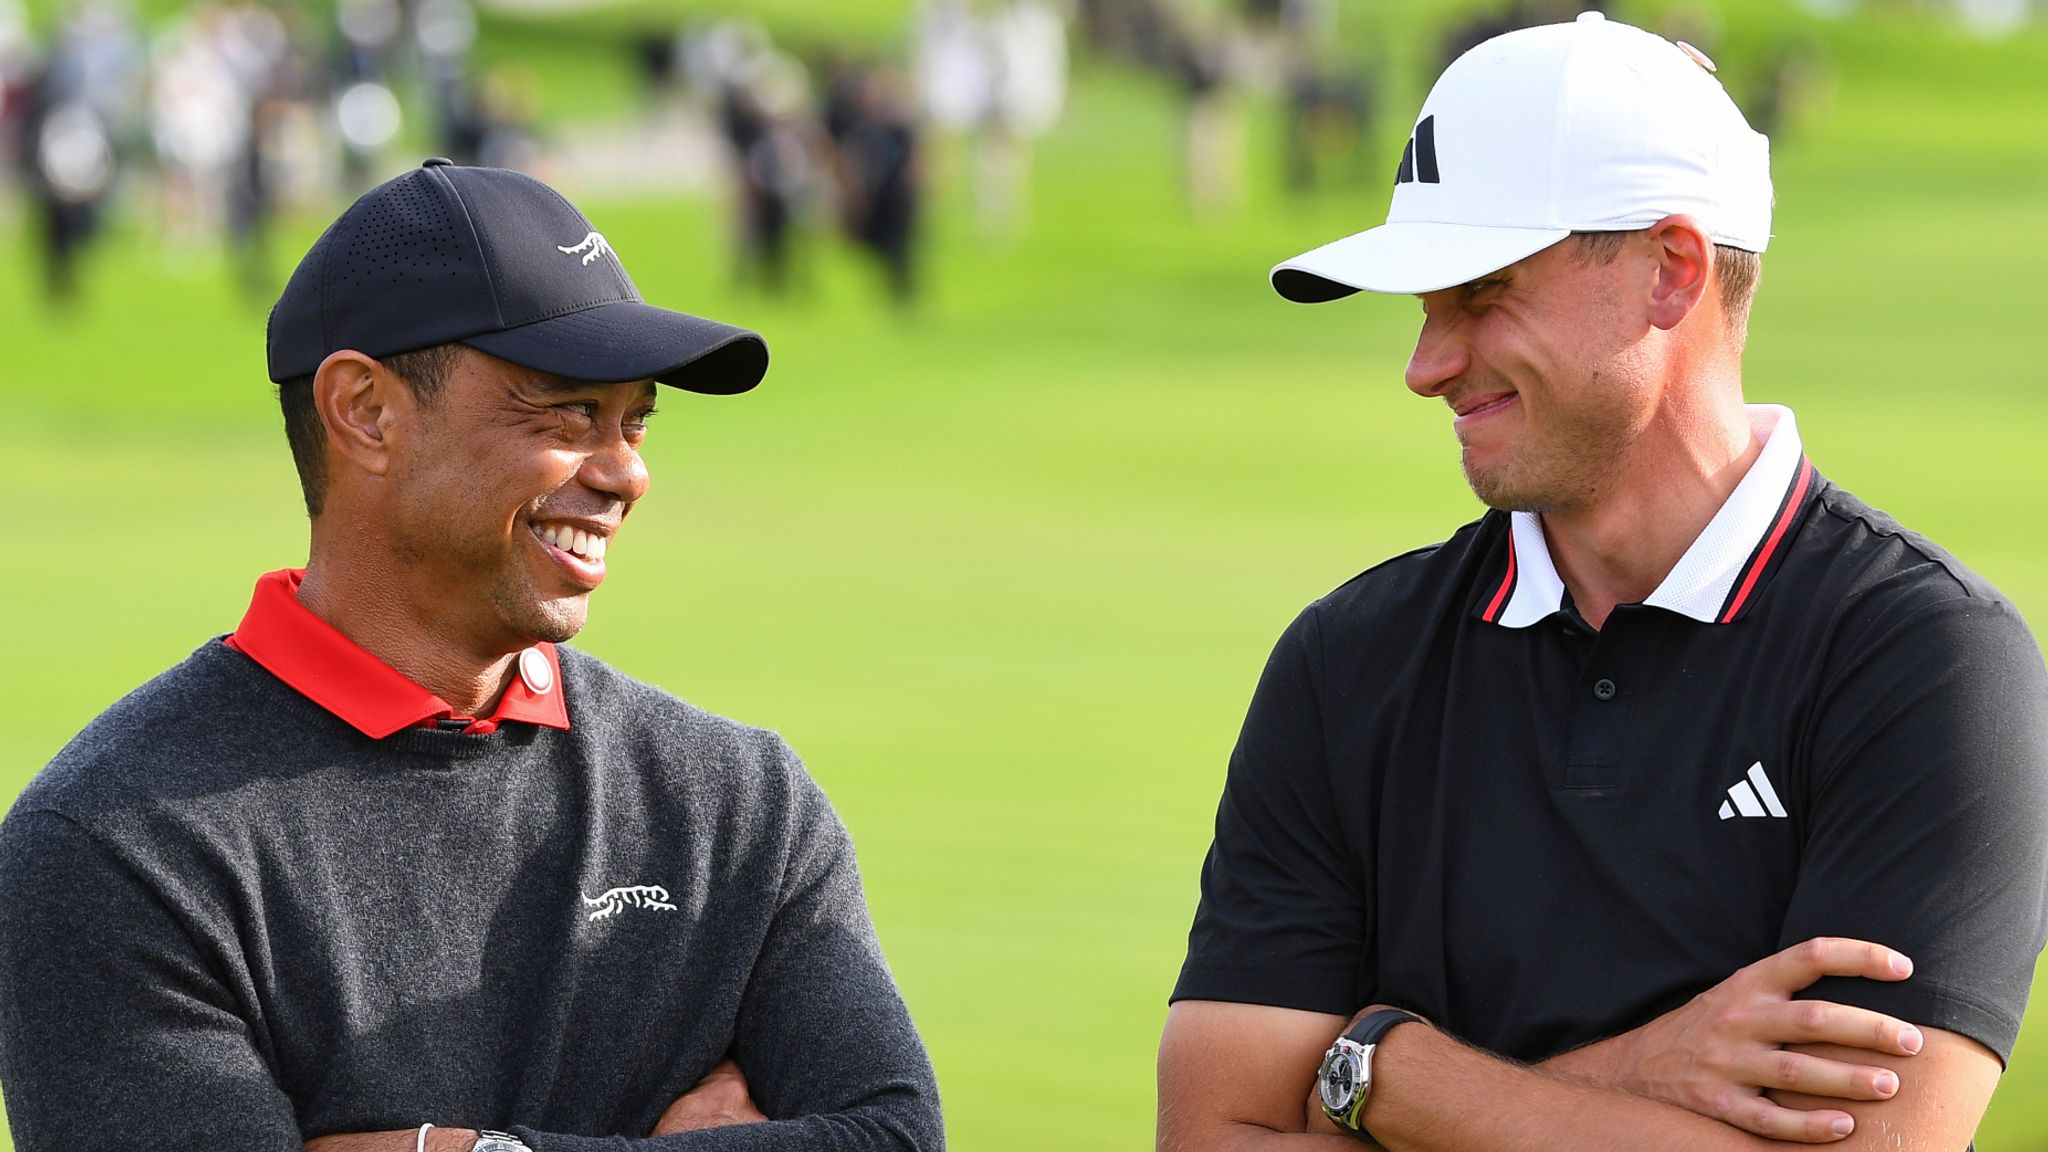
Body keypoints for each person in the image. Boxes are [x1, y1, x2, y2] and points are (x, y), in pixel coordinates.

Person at [1158, 13, 2048, 1152]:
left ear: (1670, 271)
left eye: (1482, 292)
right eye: (1424, 307)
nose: (1424, 366)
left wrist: (1385, 1072)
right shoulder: (1344, 663)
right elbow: (1210, 1135)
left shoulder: (1928, 663)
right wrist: (1636, 1072)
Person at [0, 159, 943, 1152]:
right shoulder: (113, 851)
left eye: (634, 420)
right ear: (365, 411)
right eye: (568, 411)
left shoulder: (740, 804)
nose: (627, 472)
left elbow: (894, 1136)